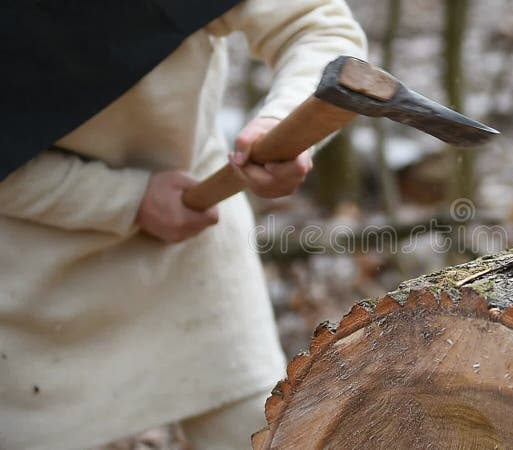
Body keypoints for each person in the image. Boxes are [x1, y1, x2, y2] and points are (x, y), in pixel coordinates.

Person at [0, 1, 366, 449]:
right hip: (33, 276)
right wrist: (127, 201)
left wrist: (286, 122)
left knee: (259, 433)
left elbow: (318, 26)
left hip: (197, 252)